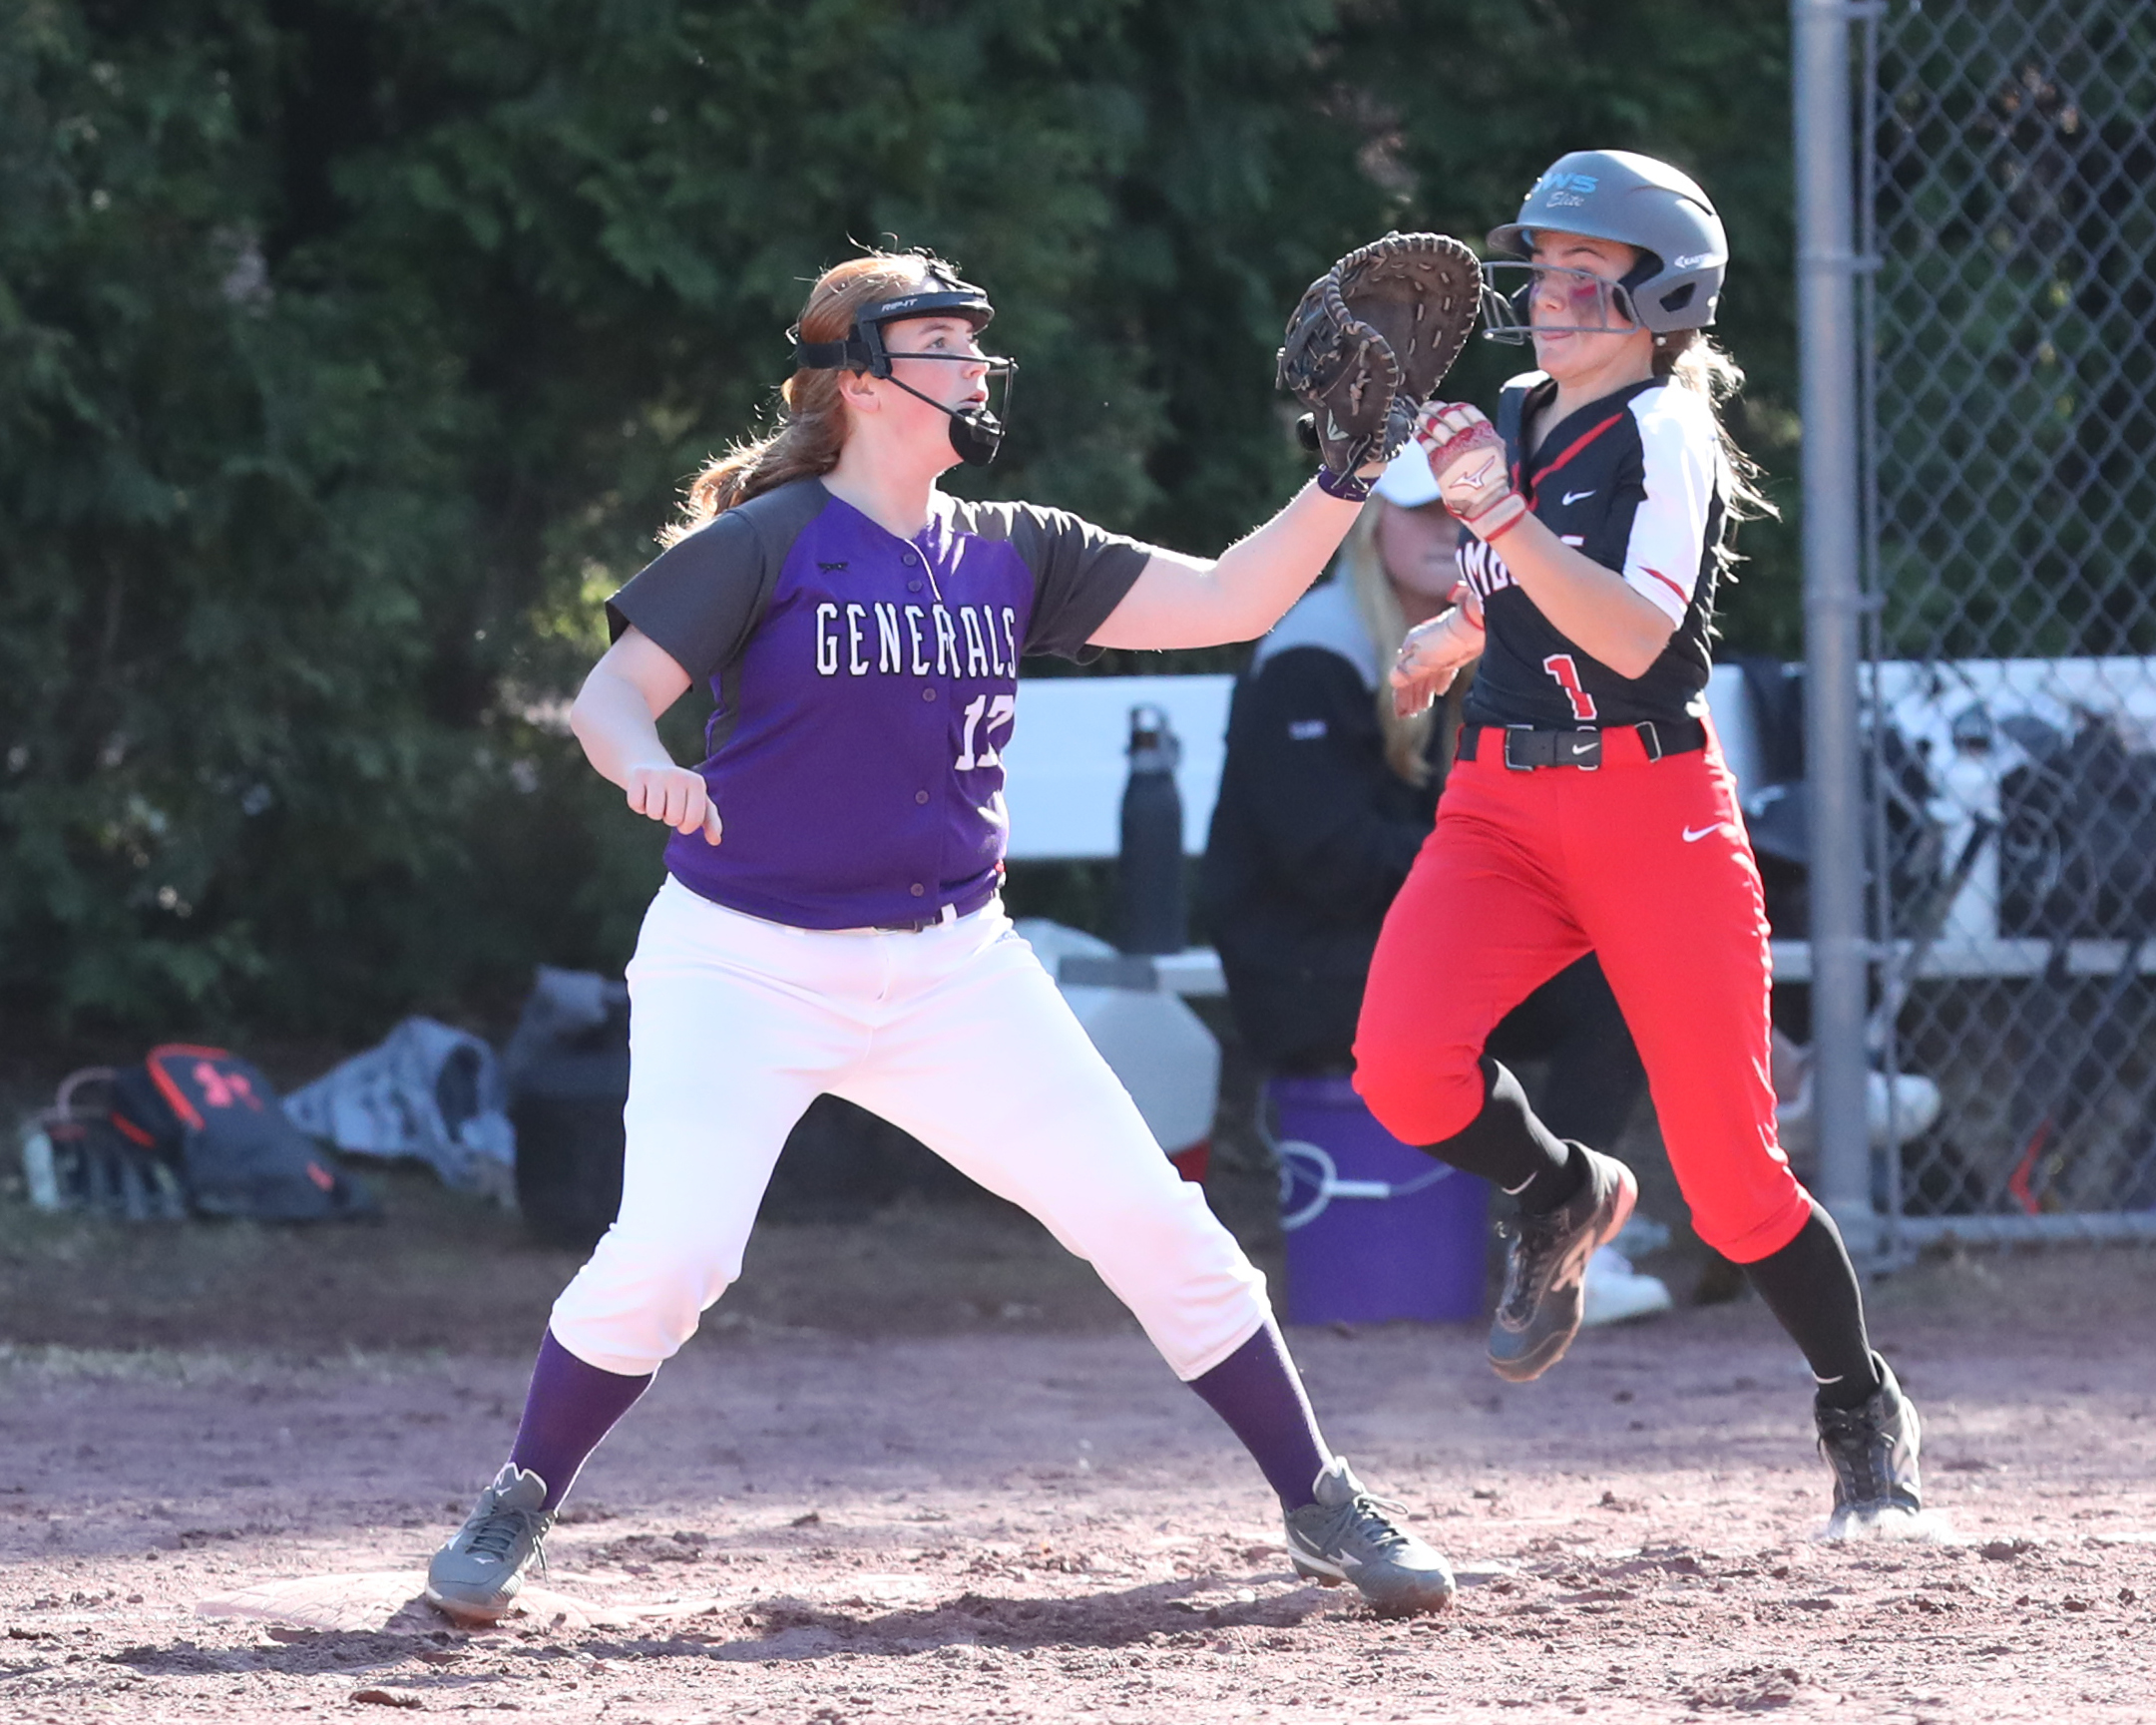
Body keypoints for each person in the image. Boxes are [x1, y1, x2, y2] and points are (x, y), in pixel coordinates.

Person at [422, 248, 1456, 1622]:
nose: (976, 365)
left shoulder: (1015, 546)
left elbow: (1231, 603)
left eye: (978, 341)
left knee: (1158, 1223)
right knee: (675, 1254)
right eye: (944, 342)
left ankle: (1318, 1496)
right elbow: (609, 697)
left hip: (956, 966)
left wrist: (1341, 478)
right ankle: (520, 1497)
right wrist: (642, 767)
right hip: (745, 956)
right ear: (858, 377)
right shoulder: (768, 539)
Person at [1360, 151, 1927, 1538]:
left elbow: (1632, 632)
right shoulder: (1519, 412)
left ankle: (1860, 1409)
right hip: (1498, 799)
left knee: (1734, 1186)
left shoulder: (1662, 431)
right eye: (1540, 268)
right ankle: (1561, 1189)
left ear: (1661, 298)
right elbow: (1531, 590)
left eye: (1581, 275)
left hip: (1648, 808)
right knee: (1400, 1067)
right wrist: (1459, 624)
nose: (1545, 296)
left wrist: (1491, 516)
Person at [1200, 452, 1670, 1326]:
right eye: (1419, 511)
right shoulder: (1318, 649)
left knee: (1614, 973)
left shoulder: (1488, 644)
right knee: (1565, 962)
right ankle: (1556, 1232)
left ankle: (1562, 1240)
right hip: (1302, 973)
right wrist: (1504, 883)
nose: (1444, 533)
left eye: (1462, 514)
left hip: (1401, 948)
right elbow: (1328, 864)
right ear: (1374, 520)